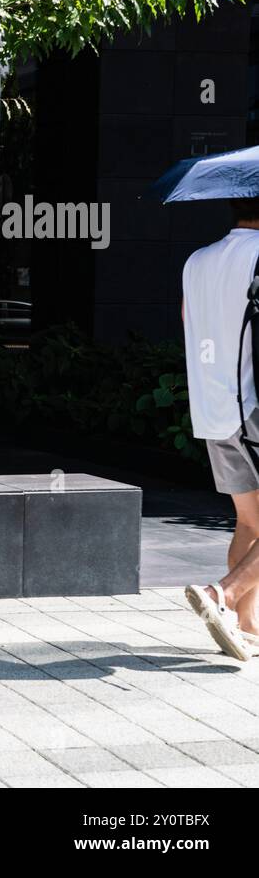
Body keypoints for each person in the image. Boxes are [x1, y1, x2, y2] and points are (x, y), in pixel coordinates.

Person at [182, 197, 259, 662]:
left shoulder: (197, 260)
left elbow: (188, 322)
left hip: (212, 408)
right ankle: (223, 594)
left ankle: (248, 628)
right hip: (252, 404)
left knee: (250, 521)